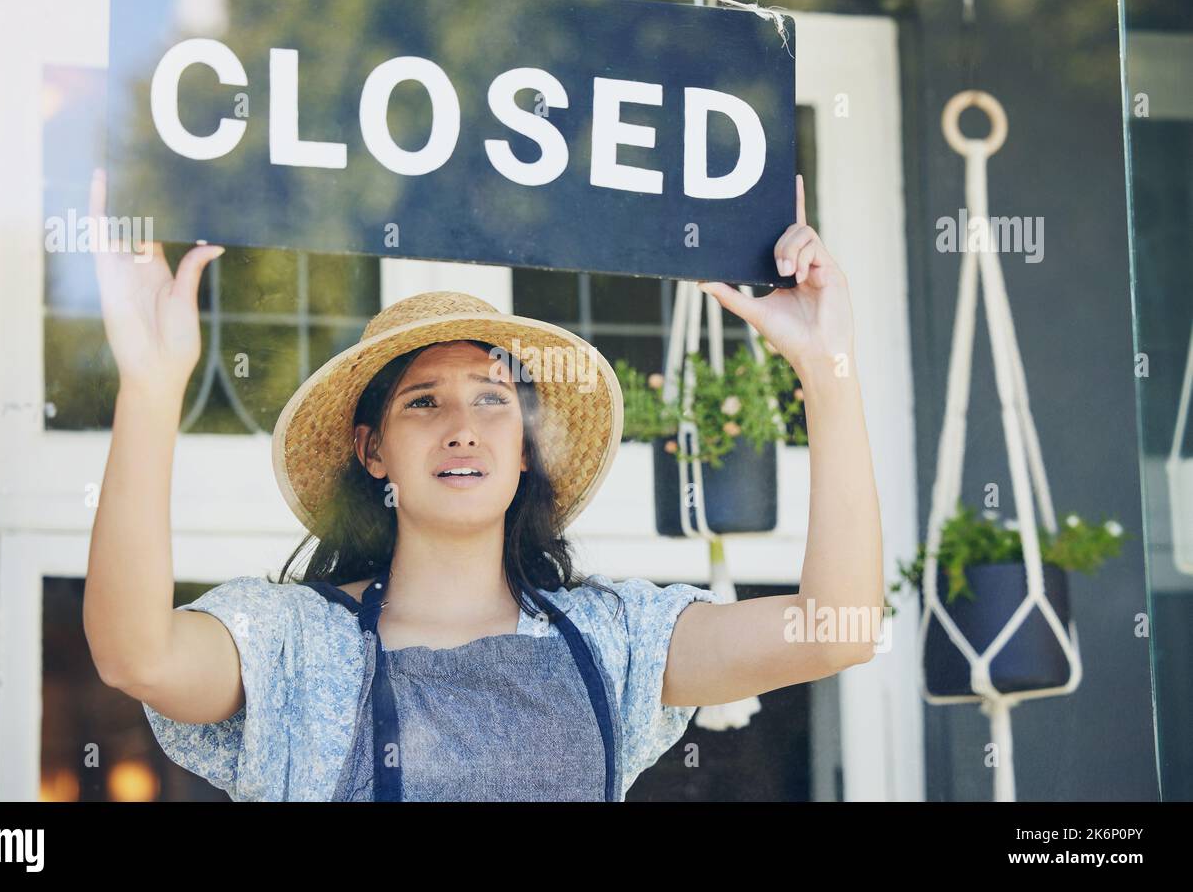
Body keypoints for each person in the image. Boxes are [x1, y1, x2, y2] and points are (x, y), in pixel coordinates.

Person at [83, 169, 883, 801]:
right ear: (373, 451)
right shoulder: (295, 643)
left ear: (526, 447)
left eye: (493, 399)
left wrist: (827, 365)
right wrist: (151, 384)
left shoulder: (614, 639)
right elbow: (136, 655)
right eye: (423, 402)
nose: (461, 425)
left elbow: (835, 630)